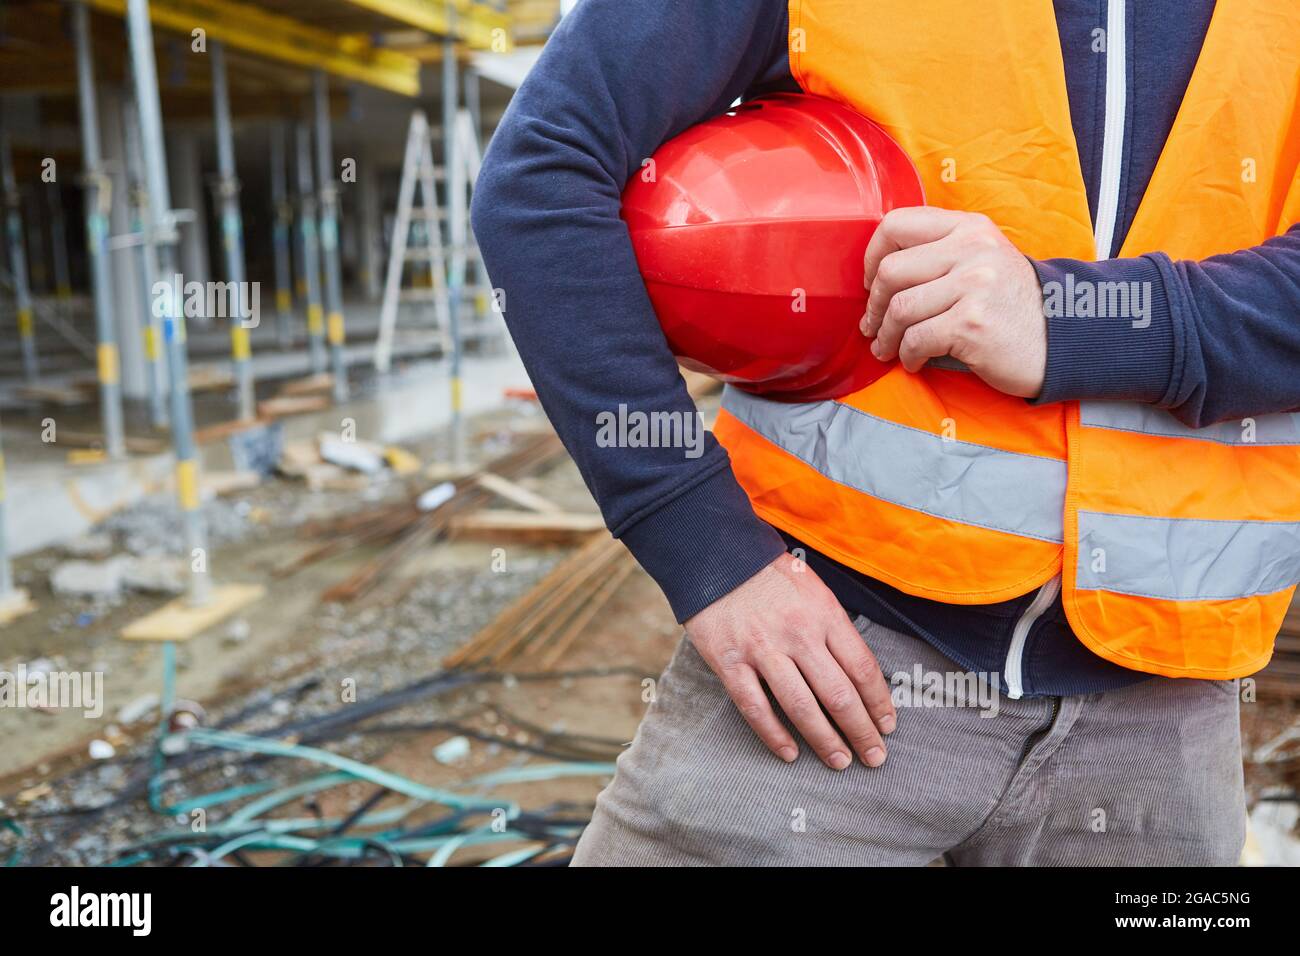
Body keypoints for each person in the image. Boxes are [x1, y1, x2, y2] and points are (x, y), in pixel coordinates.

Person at [471, 0, 1300, 865]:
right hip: (828, 669)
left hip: (1167, 718)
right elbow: (545, 171)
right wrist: (705, 551)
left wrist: (1077, 321)